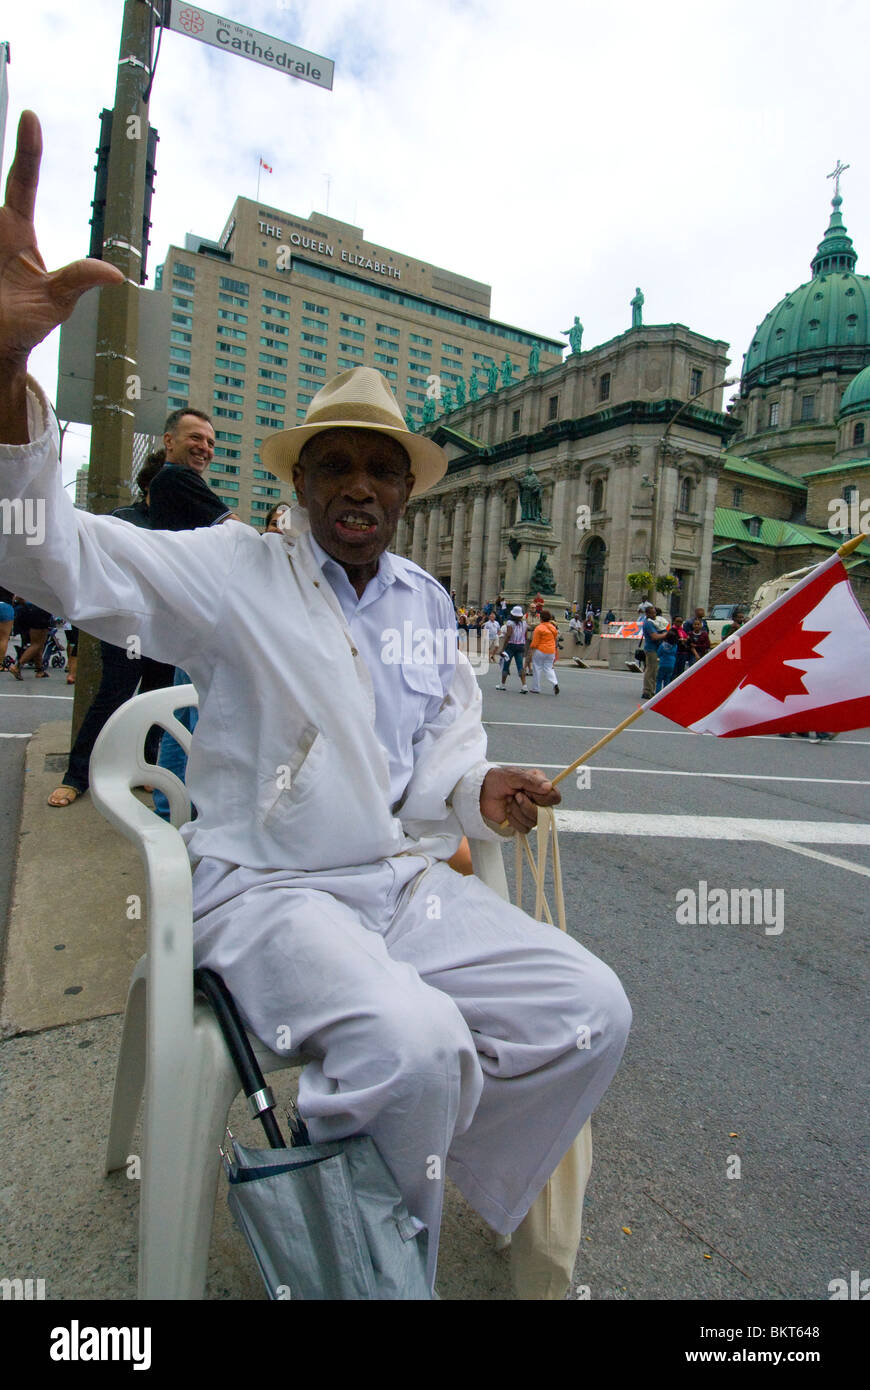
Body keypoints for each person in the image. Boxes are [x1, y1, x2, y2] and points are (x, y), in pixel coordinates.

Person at [0, 111, 631, 1295]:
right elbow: (52, 563)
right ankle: (380, 1268)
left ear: (404, 487)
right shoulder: (234, 571)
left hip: (396, 889)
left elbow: (447, 750)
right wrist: (2, 376)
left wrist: (478, 789)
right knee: (417, 1042)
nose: (357, 483)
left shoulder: (428, 601)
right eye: (331, 462)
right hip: (270, 894)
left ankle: (395, 1202)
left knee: (588, 1007)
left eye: (379, 465)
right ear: (297, 481)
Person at [46, 451, 175, 807]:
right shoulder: (124, 519)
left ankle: (148, 766)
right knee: (113, 696)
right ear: (151, 483)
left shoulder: (181, 522)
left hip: (167, 629)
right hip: (127, 628)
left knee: (157, 699)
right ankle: (76, 776)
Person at [496, 604, 529, 692]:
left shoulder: (510, 623)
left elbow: (508, 635)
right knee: (520, 666)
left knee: (506, 664)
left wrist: (503, 648)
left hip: (511, 646)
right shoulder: (525, 624)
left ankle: (502, 684)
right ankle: (524, 685)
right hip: (521, 646)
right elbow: (525, 636)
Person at [528, 609, 559, 695]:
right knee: (549, 668)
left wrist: (531, 649)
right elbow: (555, 637)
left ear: (541, 618)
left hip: (540, 650)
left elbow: (535, 642)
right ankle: (555, 683)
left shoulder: (539, 628)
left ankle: (536, 688)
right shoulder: (553, 627)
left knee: (537, 668)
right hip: (551, 651)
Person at [640, 602, 667, 699]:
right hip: (651, 649)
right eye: (652, 613)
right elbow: (654, 636)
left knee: (655, 670)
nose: (654, 615)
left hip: (656, 648)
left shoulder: (654, 622)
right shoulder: (648, 623)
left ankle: (651, 690)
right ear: (647, 614)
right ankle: (647, 690)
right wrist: (666, 635)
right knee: (651, 669)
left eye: (655, 613)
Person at [654, 625, 679, 693]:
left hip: (662, 663)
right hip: (671, 664)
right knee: (667, 680)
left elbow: (659, 653)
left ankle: (657, 693)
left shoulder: (662, 645)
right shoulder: (675, 646)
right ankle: (665, 693)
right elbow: (675, 653)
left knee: (659, 680)